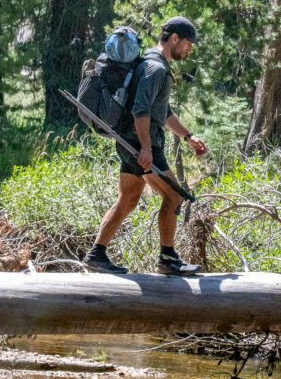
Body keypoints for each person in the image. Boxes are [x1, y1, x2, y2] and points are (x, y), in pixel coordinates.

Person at [82, 16, 208, 275]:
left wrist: (187, 135)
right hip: (141, 145)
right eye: (188, 43)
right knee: (173, 195)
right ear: (174, 38)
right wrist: (147, 148)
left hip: (130, 142)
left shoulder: (150, 61)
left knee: (128, 199)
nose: (190, 49)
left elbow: (161, 111)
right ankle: (168, 259)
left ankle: (96, 254)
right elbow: (141, 110)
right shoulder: (156, 69)